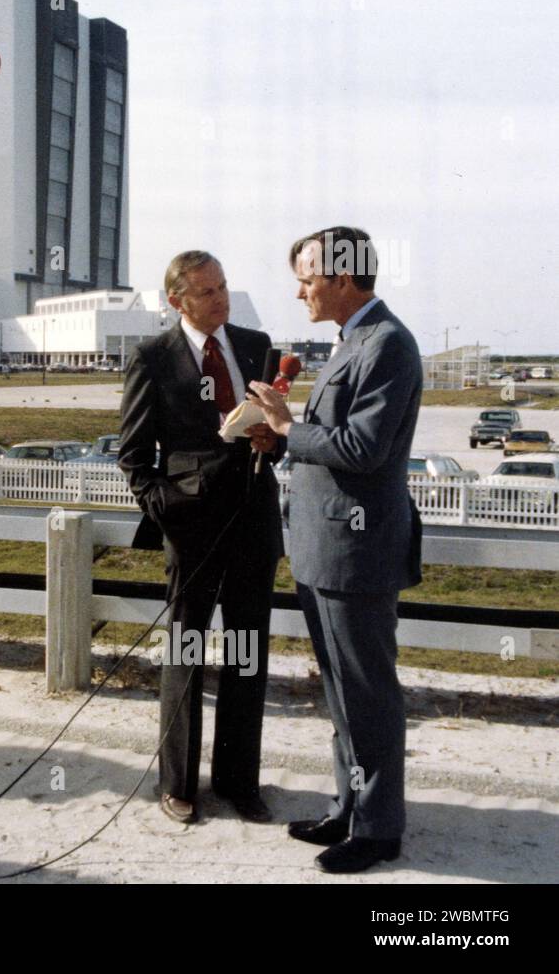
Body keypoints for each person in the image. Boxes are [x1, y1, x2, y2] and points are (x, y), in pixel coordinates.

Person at [247, 225, 421, 874]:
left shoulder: (388, 346)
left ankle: (379, 830)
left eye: (307, 279)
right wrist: (281, 438)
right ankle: (350, 806)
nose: (300, 292)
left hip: (357, 550)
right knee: (343, 693)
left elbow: (363, 449)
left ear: (344, 279)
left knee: (367, 693)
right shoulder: (356, 342)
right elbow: (333, 438)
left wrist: (289, 428)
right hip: (325, 546)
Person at [118, 251, 283, 825]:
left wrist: (273, 441)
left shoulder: (257, 344)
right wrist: (164, 510)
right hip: (191, 529)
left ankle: (240, 782)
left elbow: (278, 429)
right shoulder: (152, 358)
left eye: (224, 287)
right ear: (177, 301)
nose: (221, 299)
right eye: (207, 292)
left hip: (254, 524)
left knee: (246, 652)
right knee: (187, 651)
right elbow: (133, 455)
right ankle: (178, 785)